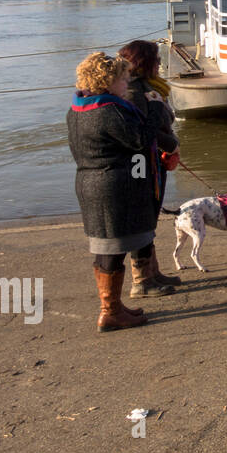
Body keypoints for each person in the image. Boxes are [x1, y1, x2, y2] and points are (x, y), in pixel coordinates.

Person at [67, 52, 159, 331]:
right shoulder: (108, 110)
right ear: (108, 82)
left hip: (90, 182)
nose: (127, 82)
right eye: (123, 78)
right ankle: (109, 312)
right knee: (111, 251)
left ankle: (114, 307)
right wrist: (154, 108)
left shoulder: (77, 108)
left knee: (106, 247)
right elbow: (140, 140)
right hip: (112, 186)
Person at [119, 39, 181, 295]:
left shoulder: (145, 87)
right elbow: (148, 130)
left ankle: (152, 272)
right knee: (143, 216)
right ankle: (141, 280)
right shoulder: (135, 92)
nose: (160, 64)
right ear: (145, 63)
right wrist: (172, 144)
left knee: (151, 215)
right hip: (143, 162)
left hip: (154, 159)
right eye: (156, 60)